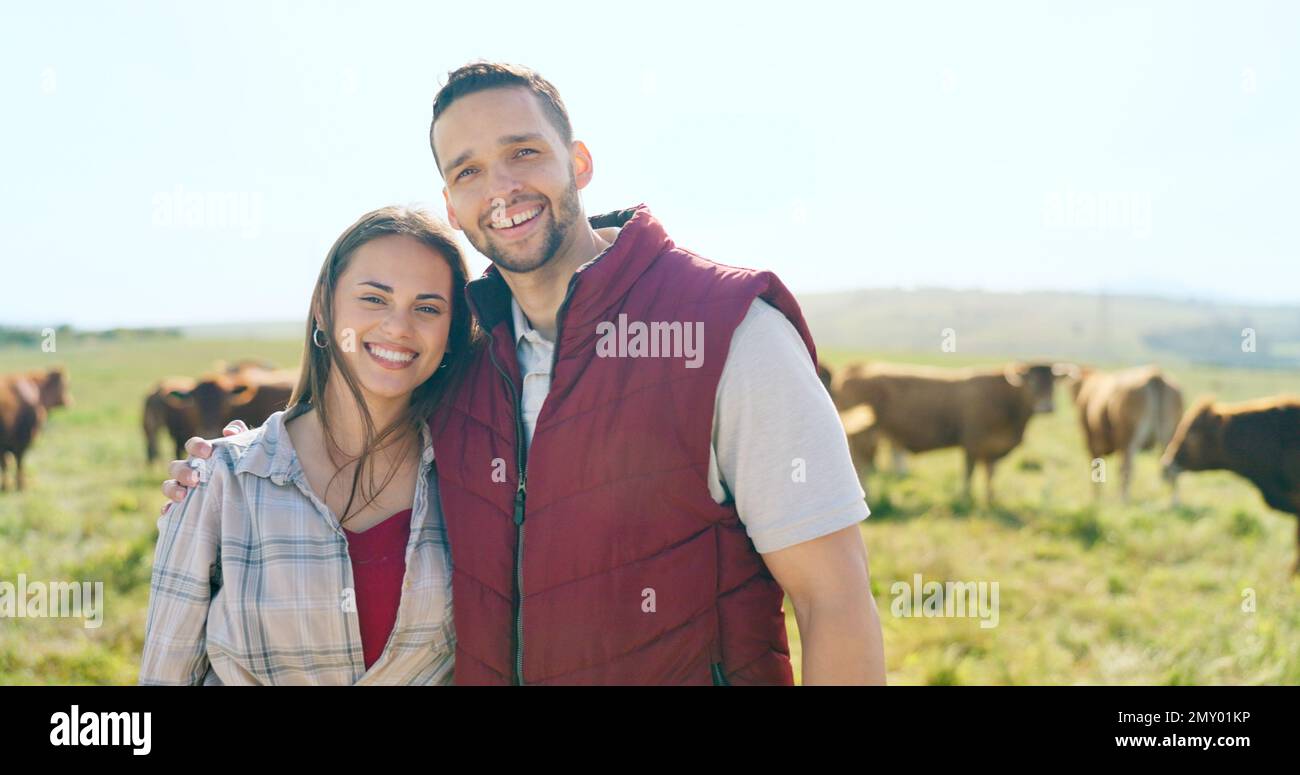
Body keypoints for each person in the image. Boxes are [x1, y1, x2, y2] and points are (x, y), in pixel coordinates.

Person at [163, 62, 887, 685]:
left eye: (524, 152)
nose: (501, 188)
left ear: (578, 162)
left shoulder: (728, 329)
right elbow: (359, 421)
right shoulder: (463, 352)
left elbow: (836, 601)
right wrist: (233, 465)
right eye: (469, 171)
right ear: (451, 205)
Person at [142, 206, 474, 684]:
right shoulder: (221, 479)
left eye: (427, 308)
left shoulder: (468, 480)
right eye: (374, 299)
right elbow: (164, 676)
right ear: (324, 306)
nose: (398, 327)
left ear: (451, 332)